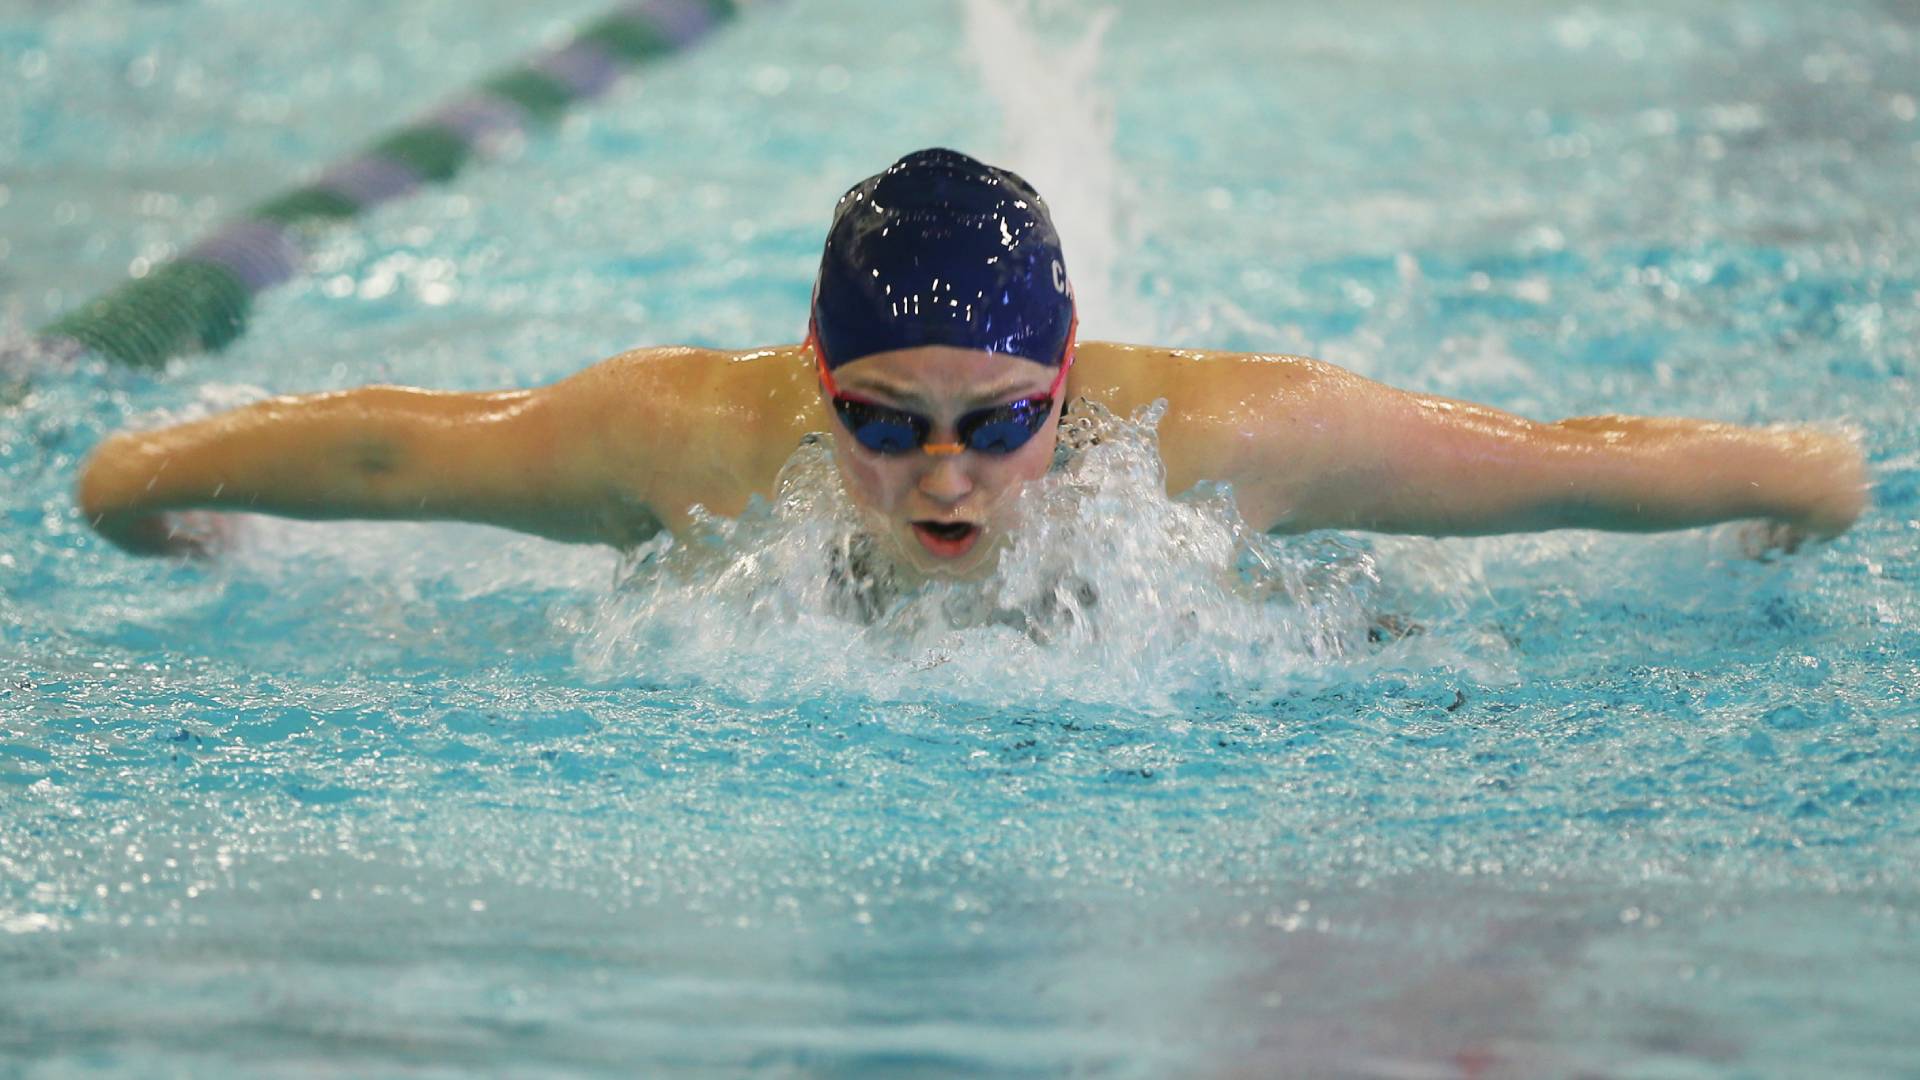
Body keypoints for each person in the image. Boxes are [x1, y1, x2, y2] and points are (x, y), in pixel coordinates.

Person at [76, 148, 1867, 580]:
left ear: (1069, 388)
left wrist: (1792, 497)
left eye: (1004, 427)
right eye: (882, 421)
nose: (945, 475)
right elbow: (399, 453)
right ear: (812, 378)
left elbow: (1562, 460)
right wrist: (140, 488)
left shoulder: (1225, 448)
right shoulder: (689, 442)